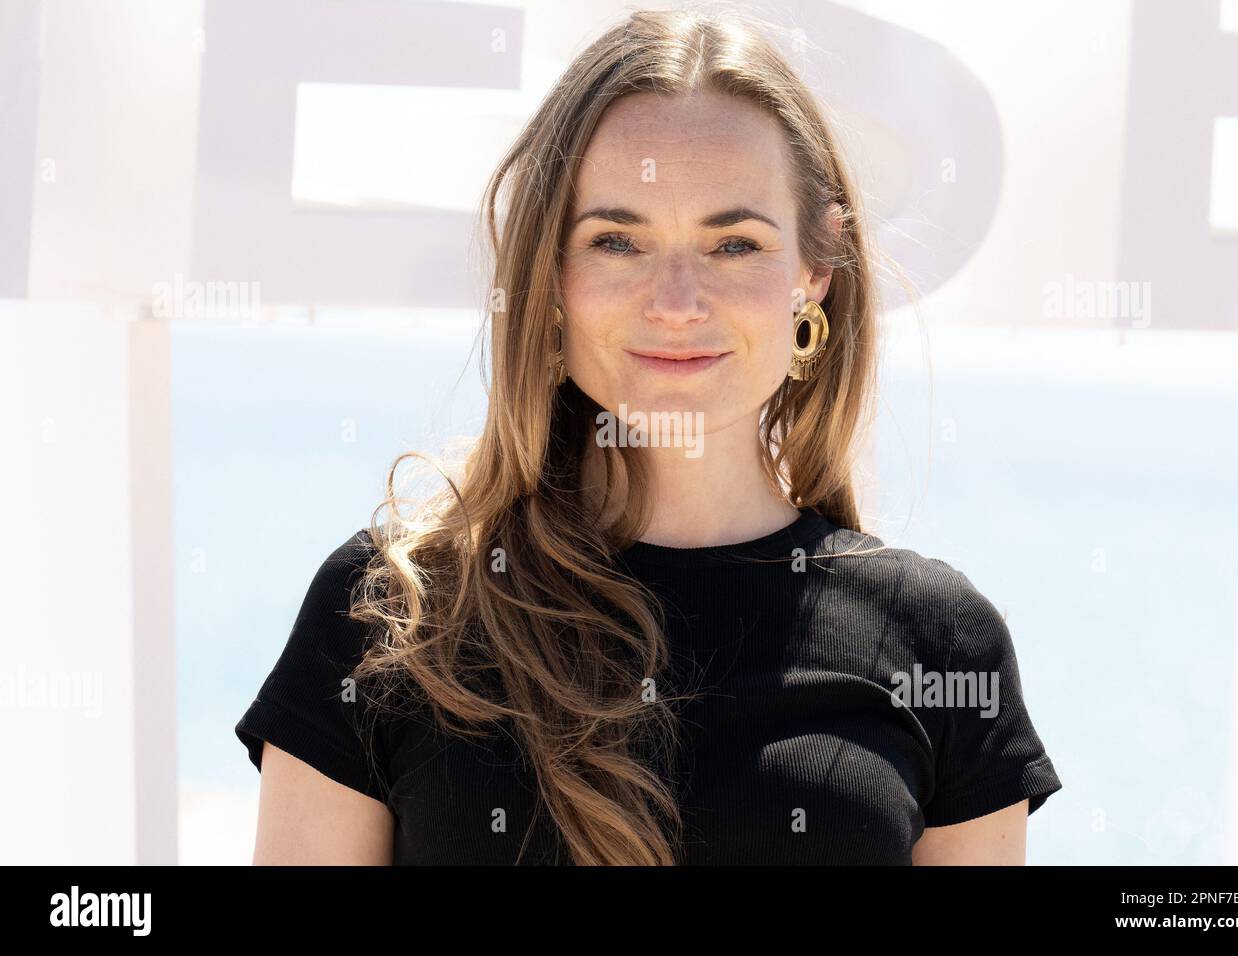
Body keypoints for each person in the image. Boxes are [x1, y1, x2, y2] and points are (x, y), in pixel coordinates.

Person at [236, 7, 1062, 865]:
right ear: (550, 274)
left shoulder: (943, 644)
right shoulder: (389, 614)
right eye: (618, 239)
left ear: (814, 273)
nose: (675, 301)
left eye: (735, 243)